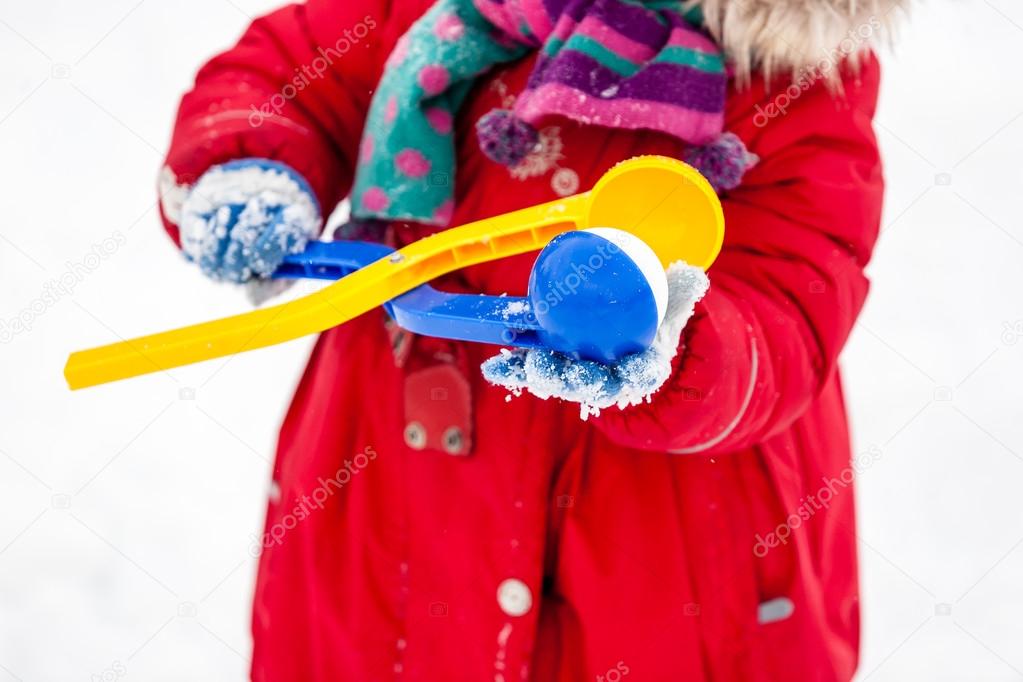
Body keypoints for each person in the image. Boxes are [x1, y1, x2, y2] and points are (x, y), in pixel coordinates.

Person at [157, 0, 903, 679]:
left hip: (667, 548)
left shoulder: (795, 78)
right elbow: (293, 72)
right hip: (391, 485)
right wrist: (246, 160)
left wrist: (678, 347)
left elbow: (796, 285)